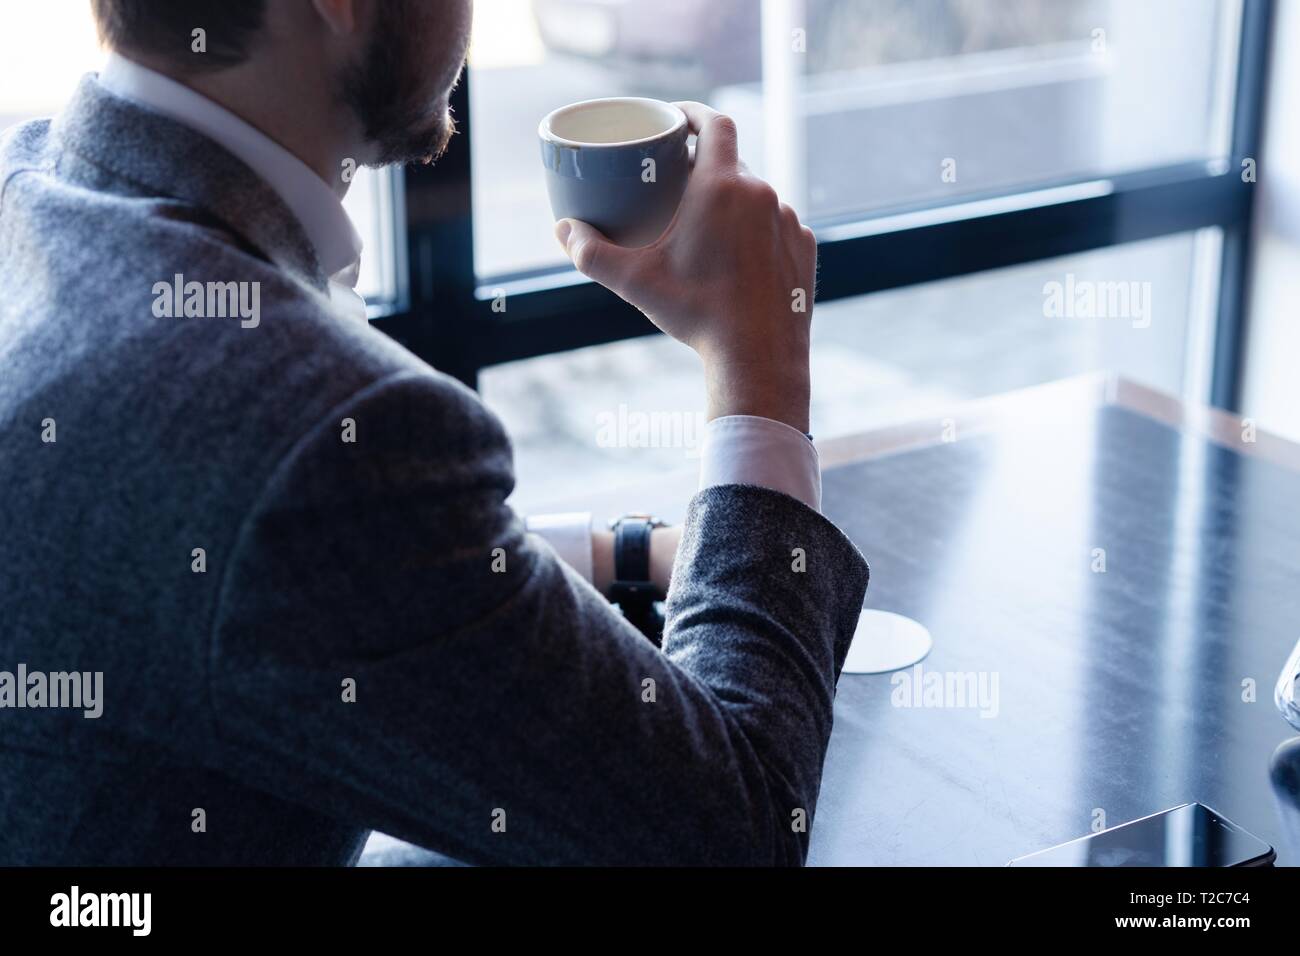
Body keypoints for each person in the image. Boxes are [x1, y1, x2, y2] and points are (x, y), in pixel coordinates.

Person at [0, 0, 868, 865]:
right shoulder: (308, 424)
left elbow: (284, 569)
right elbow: (736, 831)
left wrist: (619, 550)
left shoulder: (34, 184)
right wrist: (761, 353)